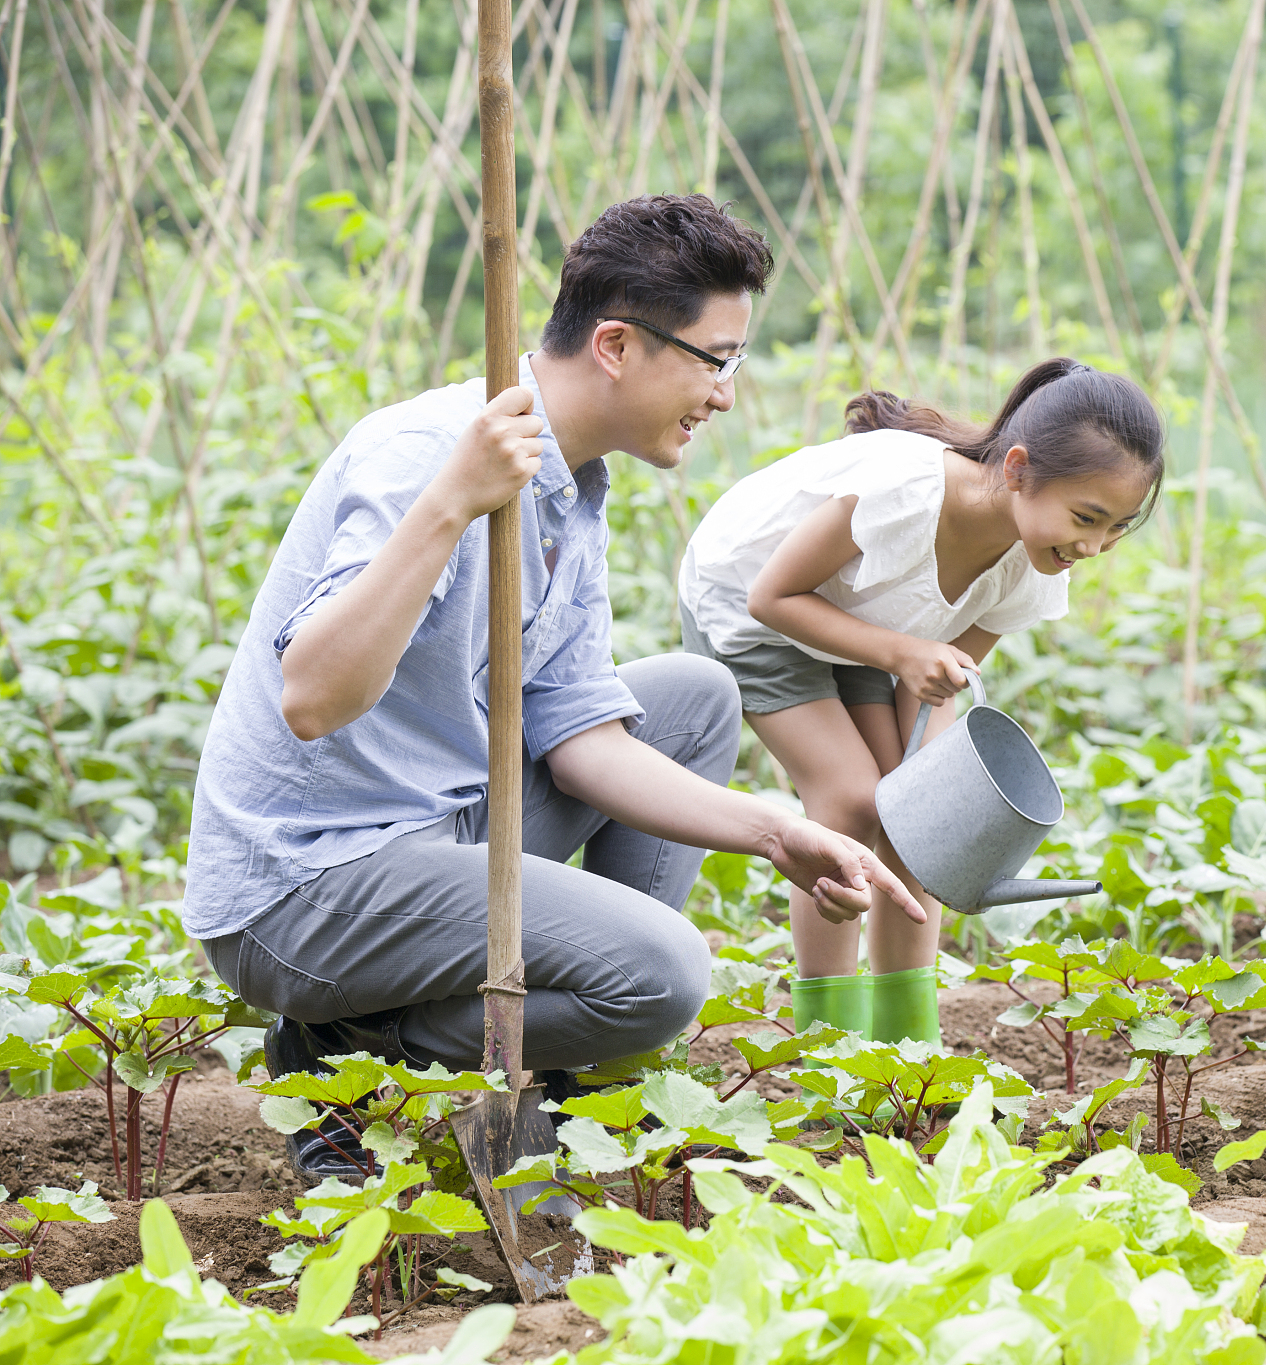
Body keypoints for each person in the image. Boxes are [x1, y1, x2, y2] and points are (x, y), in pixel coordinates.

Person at [184, 195, 921, 1182]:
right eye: (716, 360)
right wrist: (452, 504)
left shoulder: (573, 484)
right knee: (663, 975)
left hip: (439, 826)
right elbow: (313, 698)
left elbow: (584, 739)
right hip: (312, 885)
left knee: (692, 699)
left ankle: (569, 1074)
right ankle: (348, 1052)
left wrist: (774, 830)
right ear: (616, 345)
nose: (725, 395)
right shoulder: (430, 455)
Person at [678, 359, 1164, 1047]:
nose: (1094, 546)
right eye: (1087, 517)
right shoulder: (906, 493)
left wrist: (933, 805)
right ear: (1018, 469)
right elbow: (772, 597)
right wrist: (903, 654)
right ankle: (828, 1048)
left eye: (1117, 527)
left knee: (917, 816)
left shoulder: (1033, 565)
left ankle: (906, 1045)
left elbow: (935, 684)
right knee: (849, 800)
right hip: (750, 603)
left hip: (860, 623)